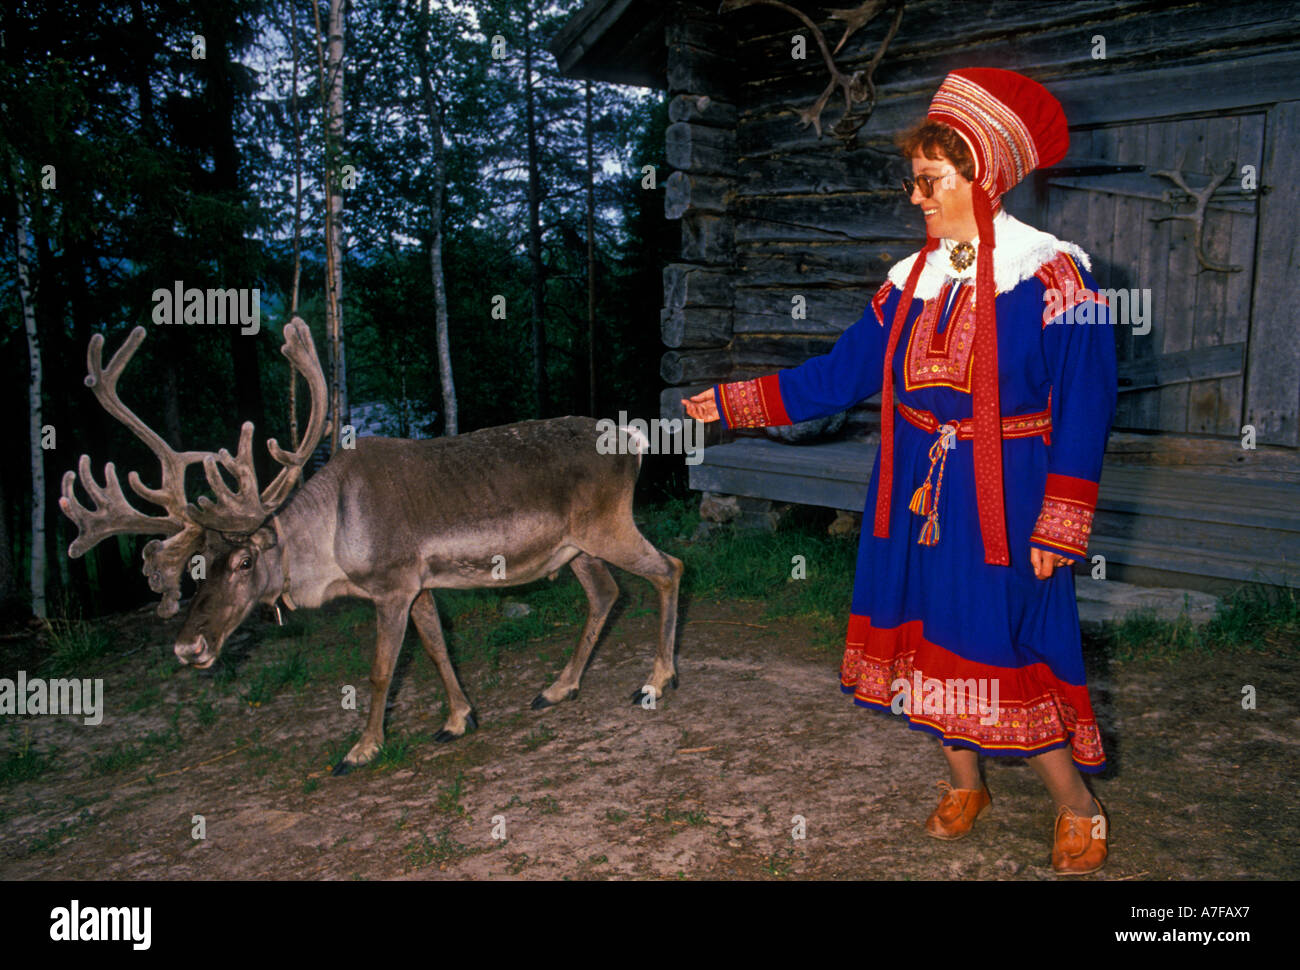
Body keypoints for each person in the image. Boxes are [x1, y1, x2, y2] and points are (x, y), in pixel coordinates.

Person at [683, 68, 1117, 875]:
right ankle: (967, 783)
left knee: (1009, 644)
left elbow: (1088, 403)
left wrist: (1064, 517)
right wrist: (737, 403)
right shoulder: (911, 282)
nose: (916, 197)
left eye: (930, 181)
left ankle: (1077, 804)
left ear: (980, 175)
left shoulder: (1060, 278)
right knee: (930, 638)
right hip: (916, 494)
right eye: (914, 181)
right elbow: (841, 375)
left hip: (1009, 497)